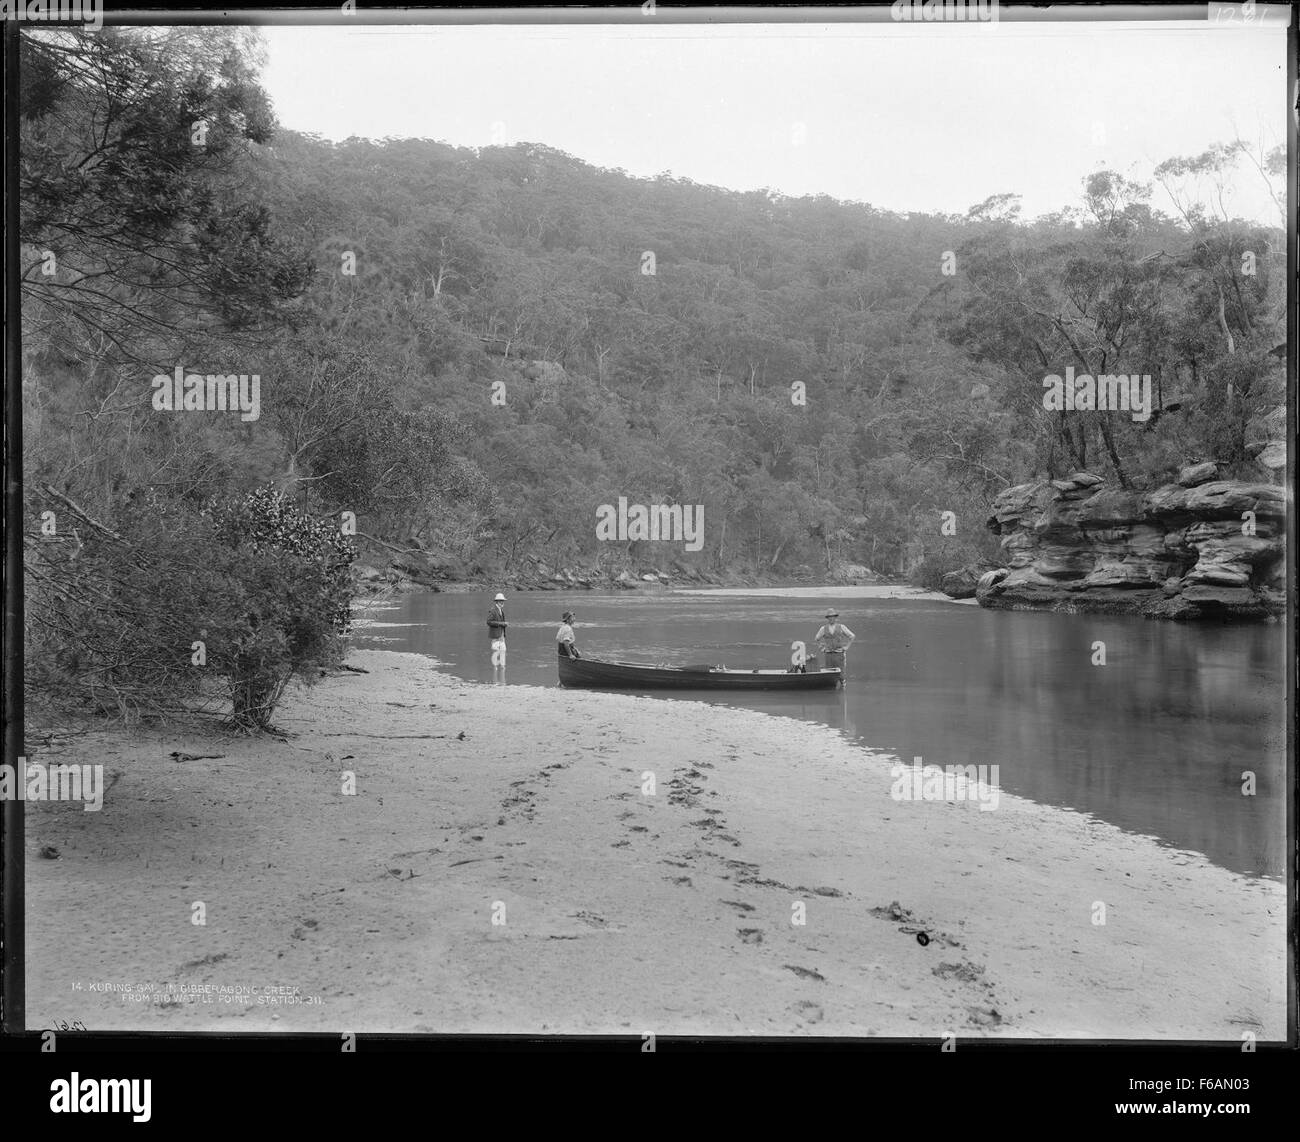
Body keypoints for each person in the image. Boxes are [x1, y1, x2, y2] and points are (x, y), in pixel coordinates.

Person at [815, 609, 855, 679]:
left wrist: (847, 647)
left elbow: (852, 636)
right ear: (827, 618)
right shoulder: (823, 628)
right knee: (829, 673)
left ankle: (842, 686)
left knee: (841, 674)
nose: (831, 618)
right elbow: (817, 639)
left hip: (839, 653)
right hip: (828, 654)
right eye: (829, 617)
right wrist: (822, 648)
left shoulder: (842, 627)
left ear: (835, 618)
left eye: (833, 616)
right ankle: (831, 687)